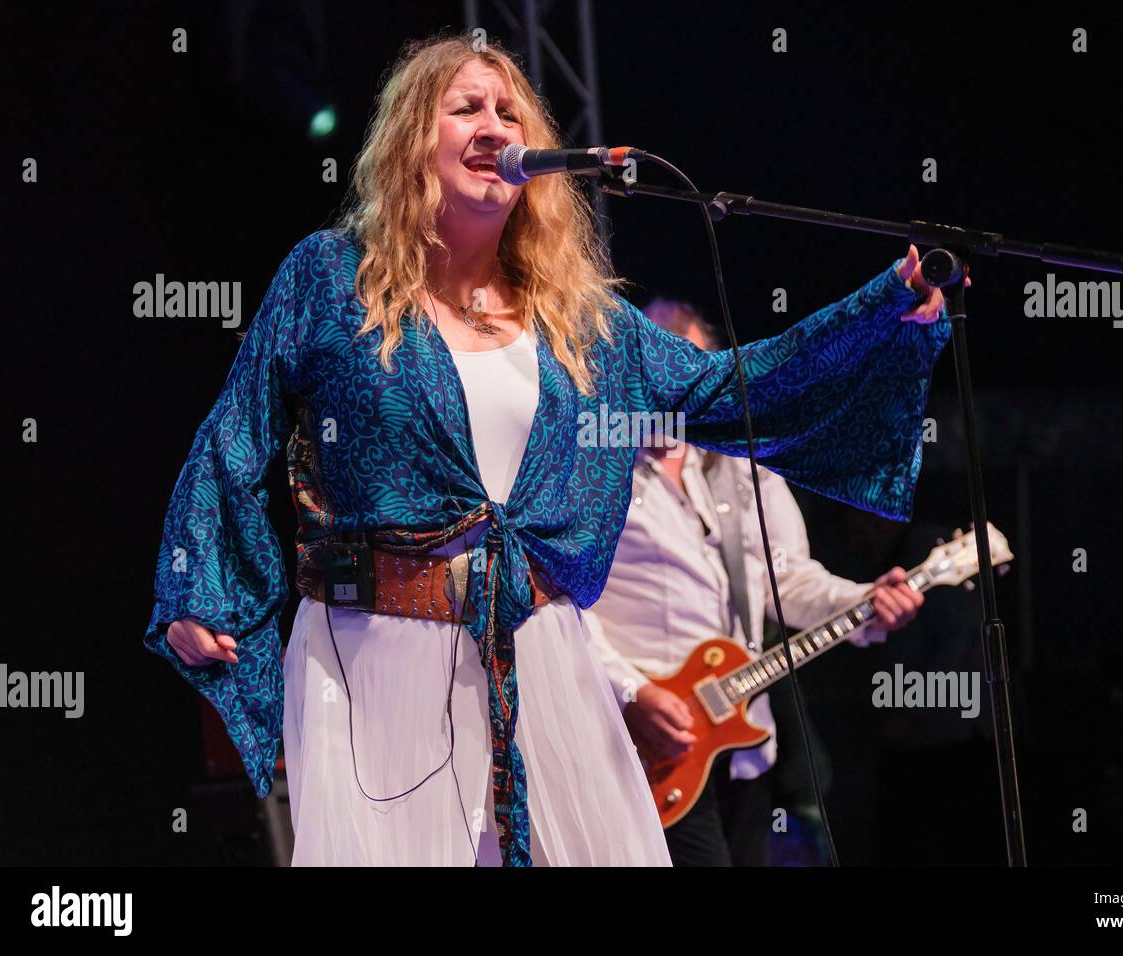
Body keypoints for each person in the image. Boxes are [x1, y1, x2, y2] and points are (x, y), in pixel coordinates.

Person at [142, 32, 956, 867]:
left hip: (540, 653)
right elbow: (233, 433)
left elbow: (730, 392)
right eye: (466, 108)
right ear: (412, 139)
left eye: (509, 110)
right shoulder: (330, 277)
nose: (494, 124)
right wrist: (197, 587)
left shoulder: (582, 319)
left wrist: (883, 312)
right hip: (373, 649)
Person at [584, 300, 924, 866]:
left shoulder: (741, 466)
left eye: (688, 370)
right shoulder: (596, 468)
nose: (671, 387)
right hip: (645, 742)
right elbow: (565, 602)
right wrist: (631, 690)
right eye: (656, 369)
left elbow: (785, 577)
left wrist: (862, 600)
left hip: (743, 741)